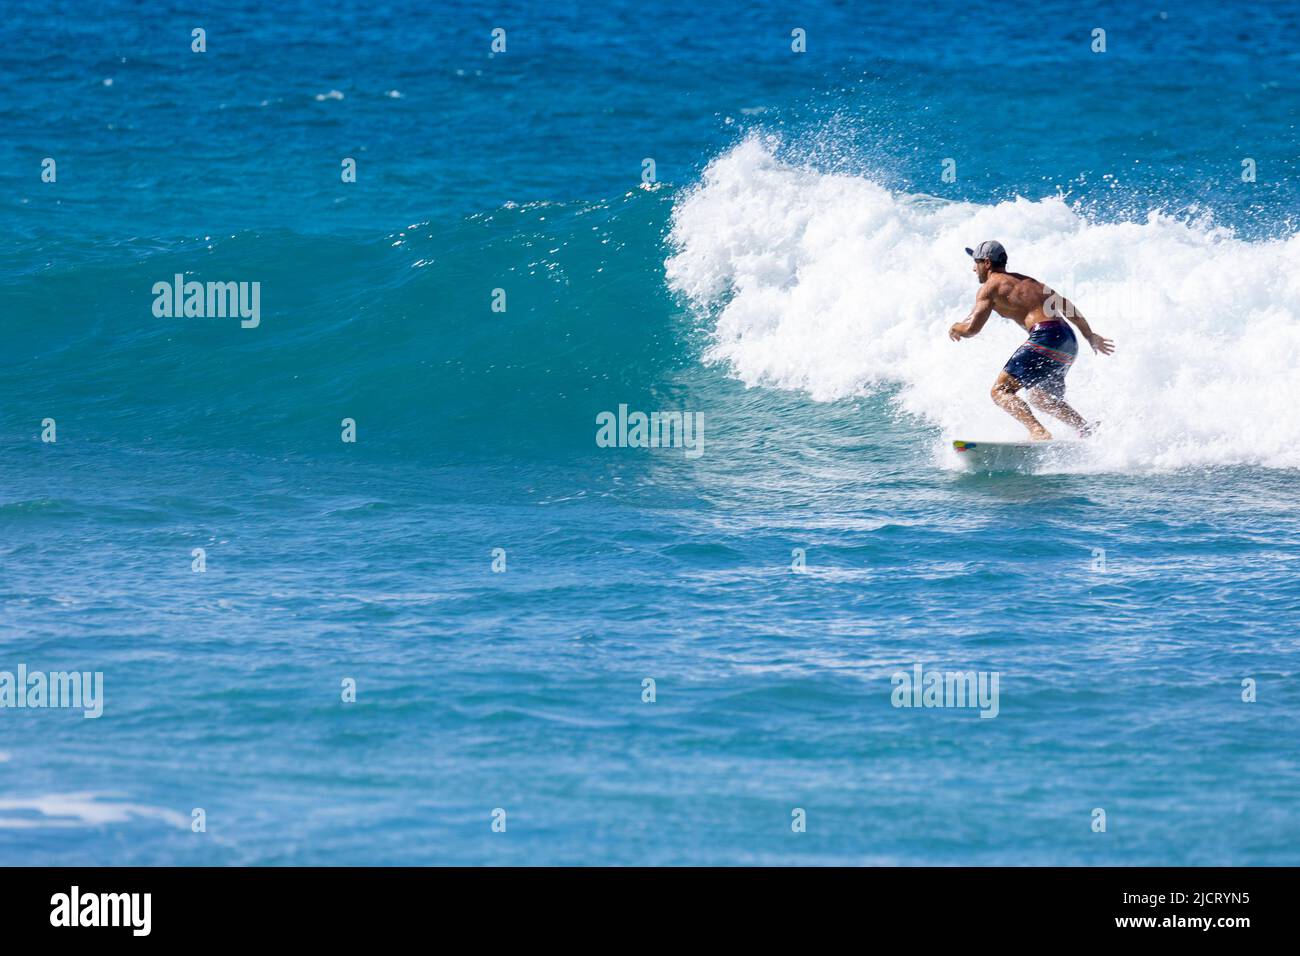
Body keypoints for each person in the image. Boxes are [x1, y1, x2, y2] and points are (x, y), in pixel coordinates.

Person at [948, 240, 1115, 440]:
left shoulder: (989, 287)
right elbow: (1066, 306)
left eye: (975, 263)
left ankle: (1038, 432)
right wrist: (1090, 336)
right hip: (1068, 341)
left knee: (1000, 391)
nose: (973, 269)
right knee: (1040, 397)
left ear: (987, 263)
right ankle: (1085, 428)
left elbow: (971, 329)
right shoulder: (1030, 283)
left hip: (1045, 336)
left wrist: (956, 327)